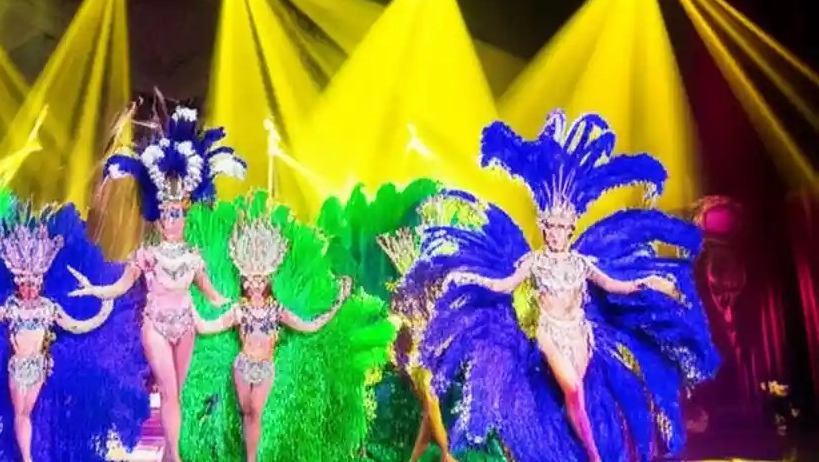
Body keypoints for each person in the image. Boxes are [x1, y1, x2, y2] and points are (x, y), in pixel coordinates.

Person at [412, 110, 720, 462]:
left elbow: (616, 286)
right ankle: (594, 458)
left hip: (580, 333)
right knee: (573, 392)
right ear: (543, 228)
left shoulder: (581, 263)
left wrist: (653, 282)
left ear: (570, 229)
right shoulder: (533, 261)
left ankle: (580, 449)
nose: (554, 234)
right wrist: (466, 277)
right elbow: (502, 286)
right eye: (550, 227)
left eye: (561, 228)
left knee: (581, 397)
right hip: (549, 333)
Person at [0, 178, 150, 462]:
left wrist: (105, 305)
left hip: (39, 367)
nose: (29, 288)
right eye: (24, 283)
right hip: (16, 368)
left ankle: (32, 453)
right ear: (18, 284)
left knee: (33, 413)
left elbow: (79, 325)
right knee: (21, 414)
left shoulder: (48, 308)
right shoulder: (11, 307)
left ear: (39, 283)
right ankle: (26, 457)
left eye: (33, 283)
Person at [68, 100, 244, 462]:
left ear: (184, 216)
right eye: (166, 214)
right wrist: (94, 289)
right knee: (166, 389)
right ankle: (176, 458)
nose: (172, 220)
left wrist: (245, 298)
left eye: (177, 213)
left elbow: (211, 296)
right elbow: (120, 287)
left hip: (186, 326)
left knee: (176, 393)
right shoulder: (146, 256)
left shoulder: (195, 258)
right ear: (158, 219)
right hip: (156, 327)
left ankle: (168, 453)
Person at [195, 212, 352, 462]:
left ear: (267, 281)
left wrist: (336, 305)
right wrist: (187, 306)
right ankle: (248, 451)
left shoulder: (276, 310)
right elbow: (207, 327)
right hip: (242, 366)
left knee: (256, 410)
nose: (256, 285)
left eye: (261, 280)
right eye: (251, 280)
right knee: (246, 412)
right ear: (245, 282)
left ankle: (252, 459)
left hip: (266, 368)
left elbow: (308, 327)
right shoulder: (239, 310)